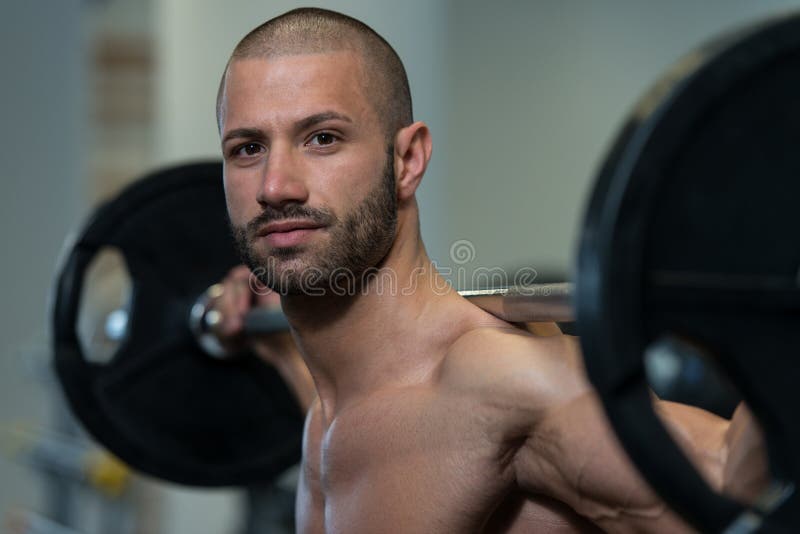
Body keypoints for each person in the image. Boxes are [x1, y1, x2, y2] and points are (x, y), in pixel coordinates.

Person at [212, 7, 767, 532]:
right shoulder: (331, 408)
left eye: (323, 138)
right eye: (247, 148)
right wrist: (278, 352)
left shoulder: (499, 382)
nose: (275, 186)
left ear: (408, 160)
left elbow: (736, 490)